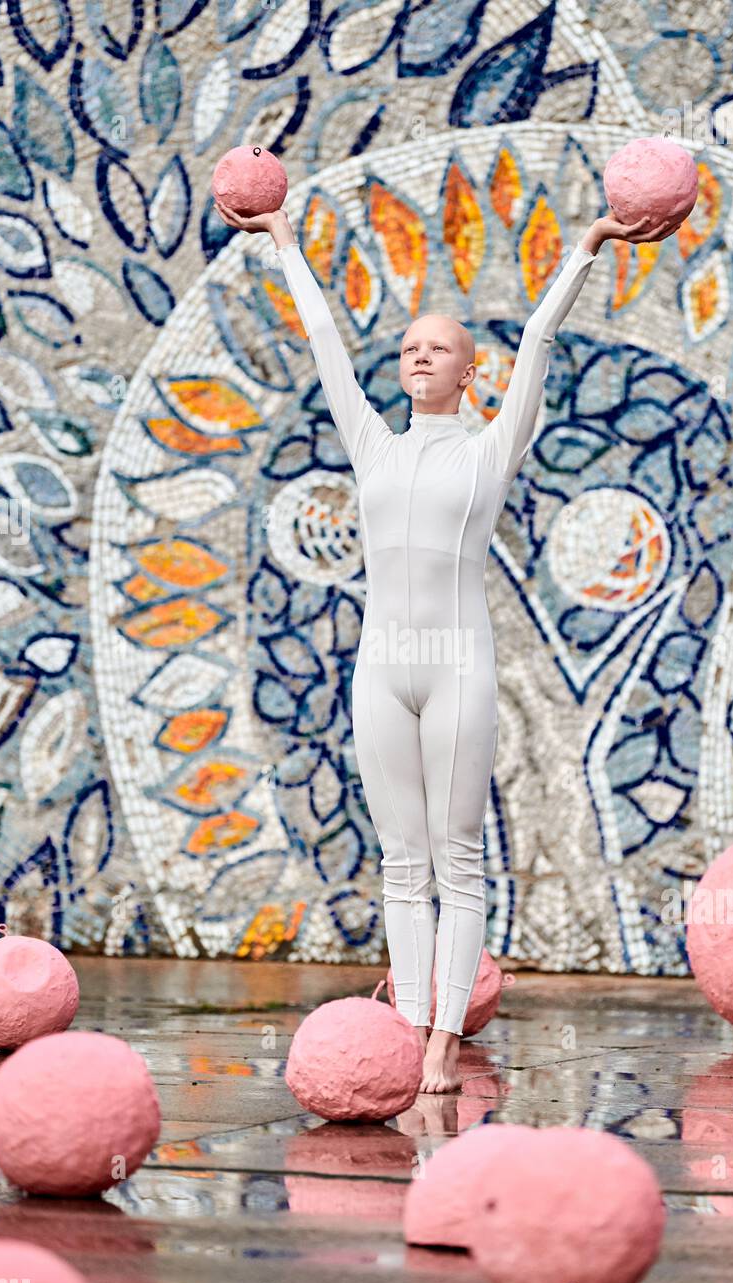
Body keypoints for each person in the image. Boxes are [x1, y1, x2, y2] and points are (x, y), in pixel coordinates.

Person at [215, 192, 684, 1093]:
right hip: (381, 672)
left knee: (457, 857)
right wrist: (280, 239)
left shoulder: (490, 449)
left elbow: (542, 343)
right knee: (401, 859)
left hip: (459, 670)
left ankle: (440, 1045)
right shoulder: (374, 447)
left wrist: (586, 245)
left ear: (470, 373)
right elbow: (323, 345)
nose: (416, 356)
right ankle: (406, 1029)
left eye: (436, 349)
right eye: (407, 348)